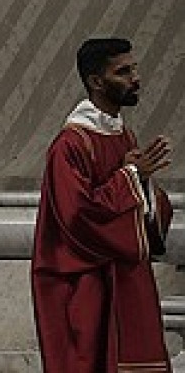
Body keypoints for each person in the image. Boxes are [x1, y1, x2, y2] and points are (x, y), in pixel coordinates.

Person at [31, 37, 174, 372]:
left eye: (134, 68)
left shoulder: (123, 135)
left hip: (125, 279)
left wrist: (143, 185)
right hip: (87, 283)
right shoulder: (70, 145)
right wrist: (130, 177)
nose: (135, 78)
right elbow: (77, 216)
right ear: (96, 82)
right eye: (123, 72)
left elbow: (136, 200)